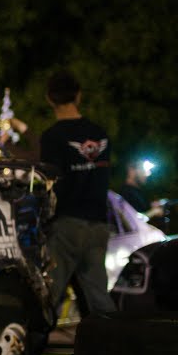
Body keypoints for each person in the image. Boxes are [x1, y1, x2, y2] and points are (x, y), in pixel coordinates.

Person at [37, 70, 115, 317]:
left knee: (48, 297)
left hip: (68, 225)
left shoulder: (52, 138)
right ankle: (115, 347)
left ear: (50, 99)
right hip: (98, 226)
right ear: (78, 96)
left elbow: (52, 184)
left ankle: (28, 351)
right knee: (98, 297)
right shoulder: (100, 134)